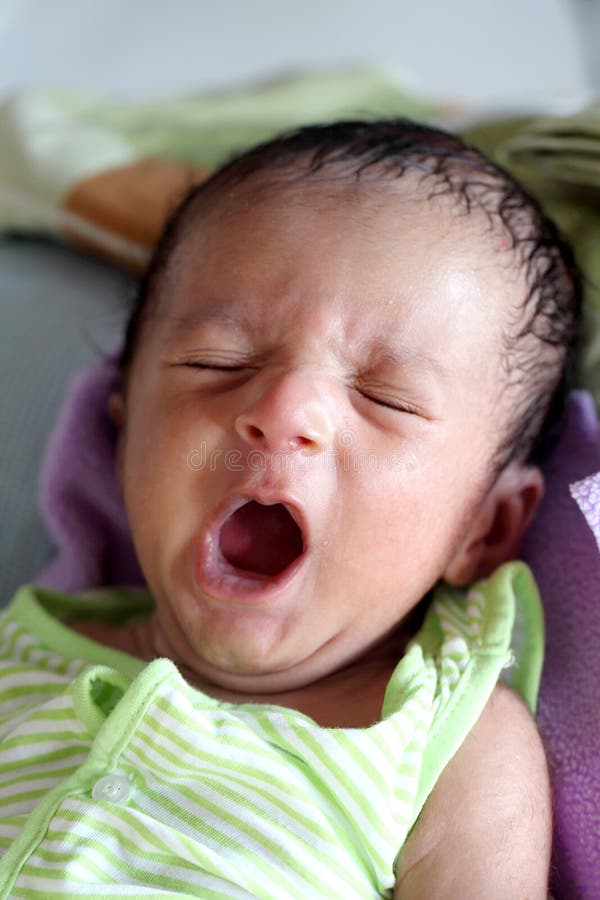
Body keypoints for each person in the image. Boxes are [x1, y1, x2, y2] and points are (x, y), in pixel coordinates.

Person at [0, 118, 581, 899]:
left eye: (388, 398)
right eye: (219, 361)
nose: (284, 410)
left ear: (484, 526)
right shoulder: (20, 654)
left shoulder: (448, 743)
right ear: (124, 436)